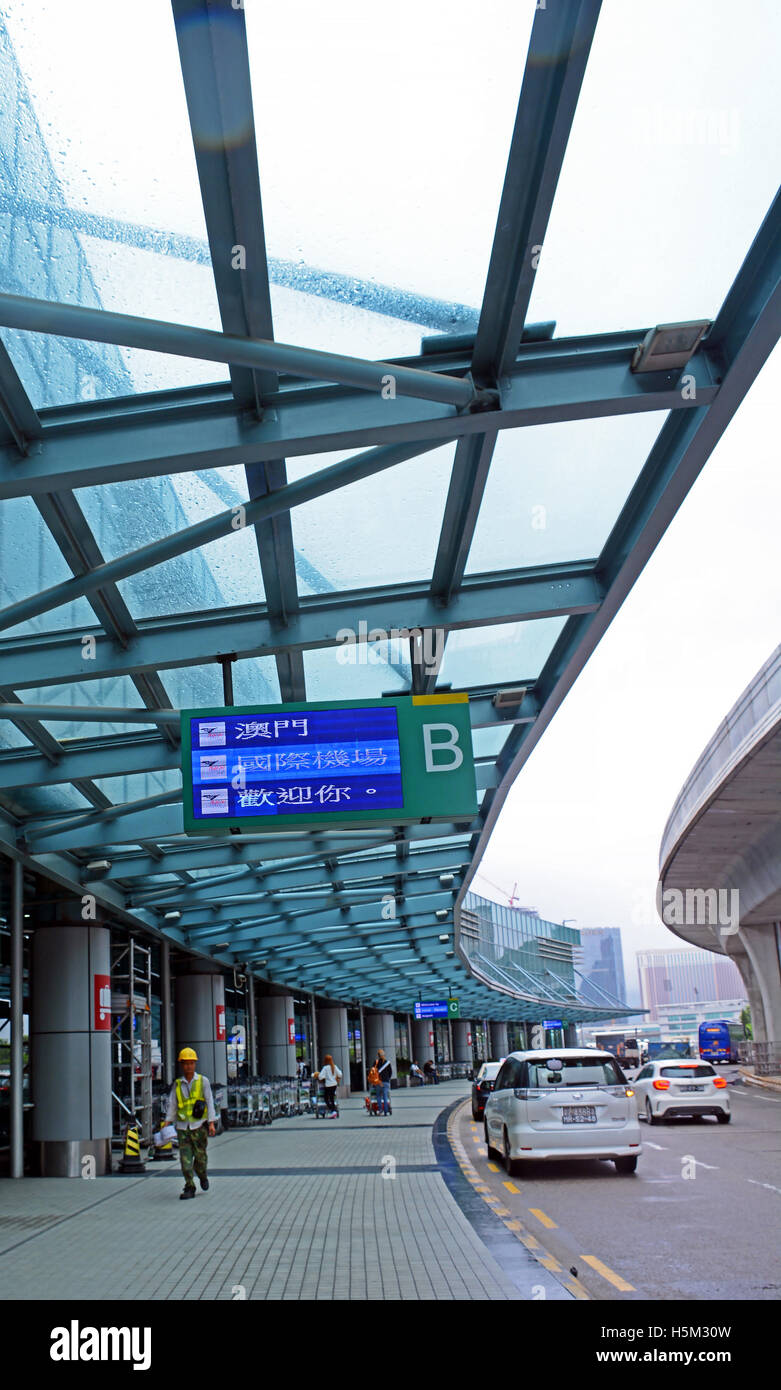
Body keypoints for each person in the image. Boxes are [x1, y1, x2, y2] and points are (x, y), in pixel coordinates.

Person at [165, 1047, 218, 1199]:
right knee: (185, 1160)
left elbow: (210, 1102)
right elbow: (172, 1104)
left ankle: (202, 1175)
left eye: (191, 1063)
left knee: (200, 1159)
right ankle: (189, 1186)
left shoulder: (203, 1081)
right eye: (185, 1063)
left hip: (199, 1127)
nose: (188, 1066)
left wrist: (211, 1123)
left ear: (195, 1064)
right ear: (182, 1065)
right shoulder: (177, 1084)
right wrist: (167, 1122)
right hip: (183, 1128)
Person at [375, 1049, 393, 1115]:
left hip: (378, 1082)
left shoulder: (376, 1062)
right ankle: (386, 1111)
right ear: (384, 1055)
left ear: (378, 1056)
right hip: (386, 1082)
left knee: (378, 1096)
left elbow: (373, 1072)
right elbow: (390, 1072)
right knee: (385, 1096)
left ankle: (380, 1110)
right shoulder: (388, 1063)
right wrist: (387, 1078)